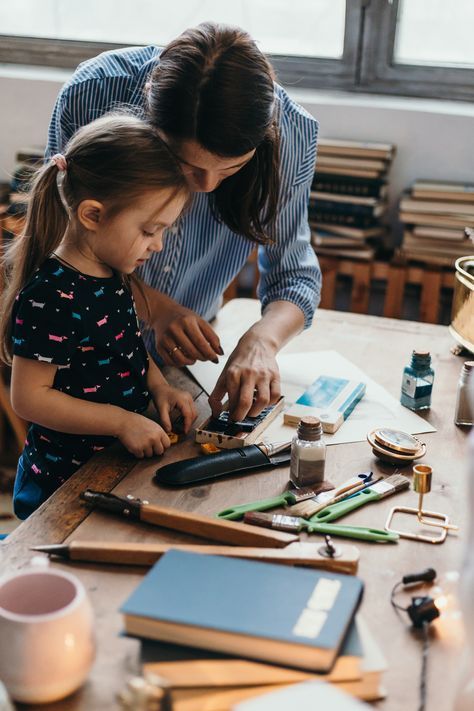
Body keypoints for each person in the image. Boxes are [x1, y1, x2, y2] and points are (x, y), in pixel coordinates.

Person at [46, 22, 321, 423]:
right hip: (82, 352)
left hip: (182, 367)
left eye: (231, 169)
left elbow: (295, 276)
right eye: (185, 164)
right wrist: (155, 309)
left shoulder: (293, 133)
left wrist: (262, 340)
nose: (206, 186)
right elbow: (57, 241)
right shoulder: (92, 93)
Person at [0, 113, 197, 519]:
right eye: (148, 230)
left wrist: (159, 387)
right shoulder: (50, 296)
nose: (157, 245)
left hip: (109, 466)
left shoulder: (114, 272)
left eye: (164, 231)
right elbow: (29, 398)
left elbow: (128, 350)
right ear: (92, 215)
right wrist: (120, 421)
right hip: (58, 487)